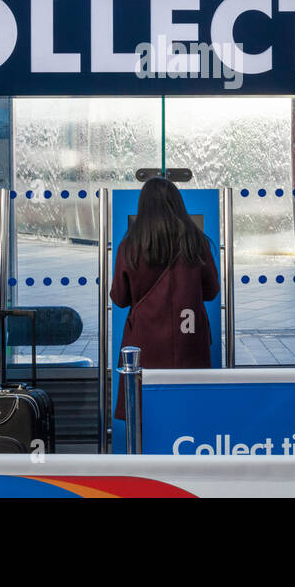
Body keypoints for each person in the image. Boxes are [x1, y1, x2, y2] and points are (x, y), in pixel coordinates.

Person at [110, 177, 220, 419]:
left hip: (145, 343)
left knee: (146, 412)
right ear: (178, 204)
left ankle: (146, 456)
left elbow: (119, 298)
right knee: (189, 410)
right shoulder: (196, 242)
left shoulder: (130, 245)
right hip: (189, 340)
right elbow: (212, 291)